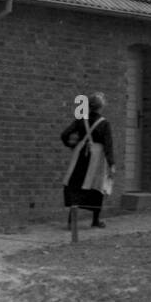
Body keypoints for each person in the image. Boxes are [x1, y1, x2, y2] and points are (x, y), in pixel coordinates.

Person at [60, 92, 117, 227]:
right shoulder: (104, 124)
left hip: (80, 155)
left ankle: (71, 221)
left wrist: (72, 145)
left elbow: (65, 134)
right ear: (101, 107)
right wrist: (111, 163)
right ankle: (95, 220)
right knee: (96, 187)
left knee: (75, 185)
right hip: (96, 159)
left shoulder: (81, 119)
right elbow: (108, 145)